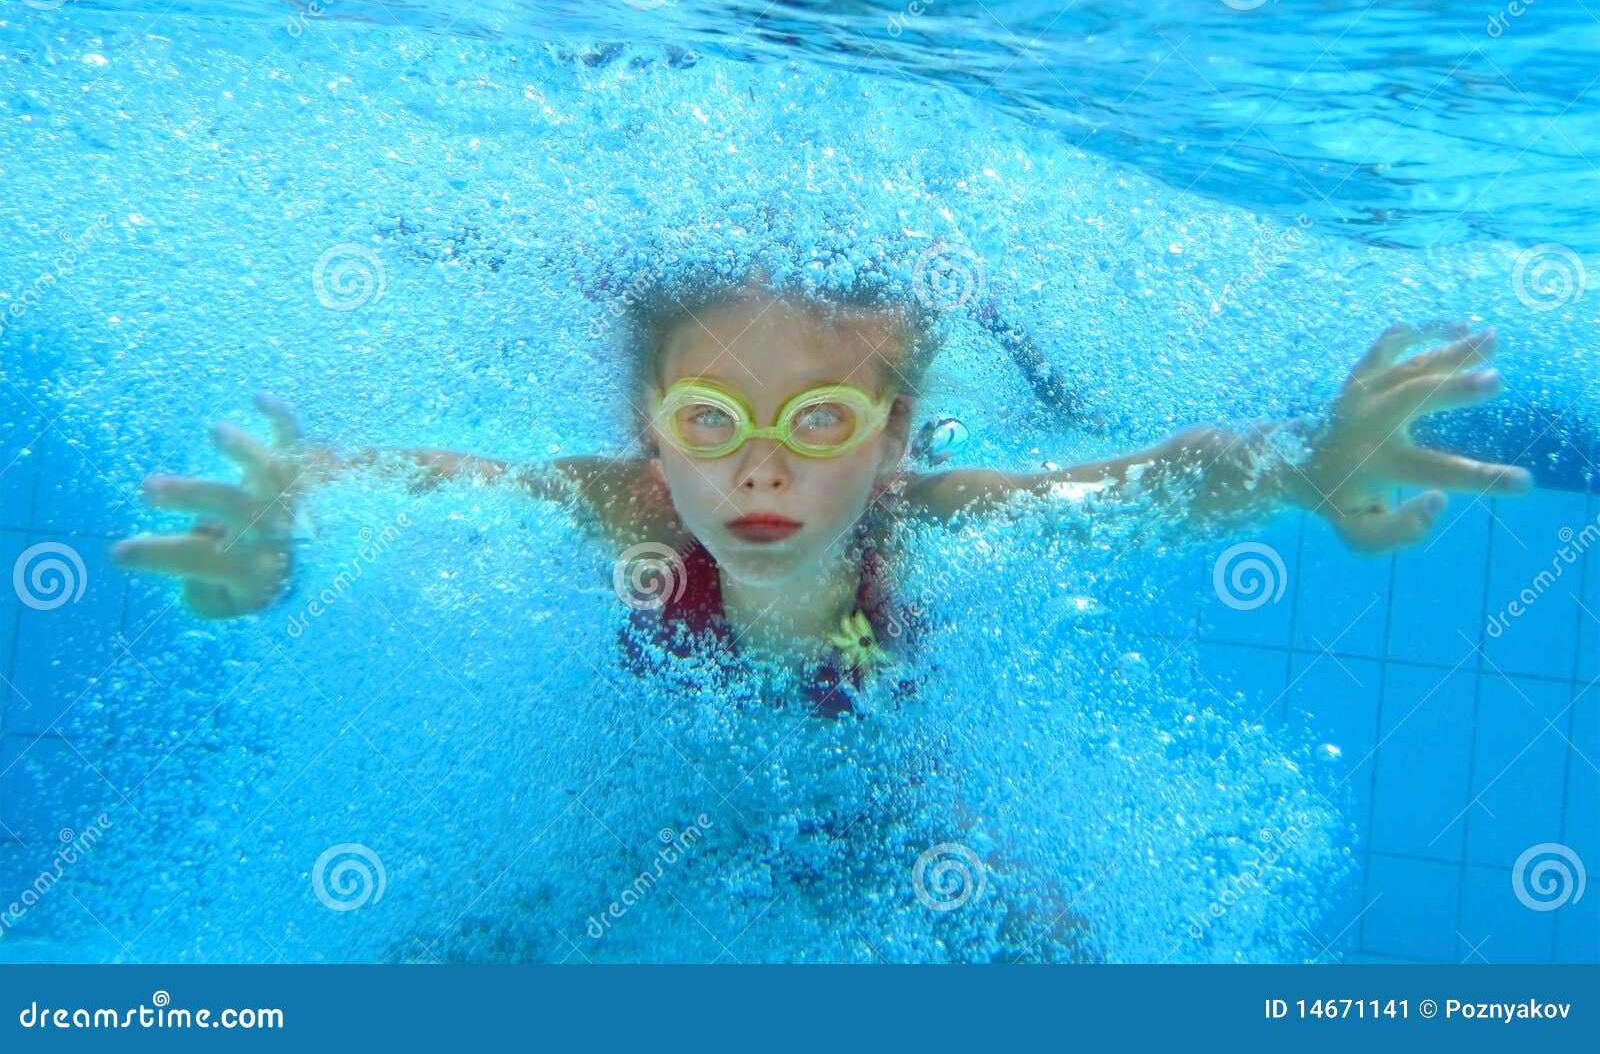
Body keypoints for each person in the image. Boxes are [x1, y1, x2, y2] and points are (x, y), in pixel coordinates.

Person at [109, 268, 1531, 960]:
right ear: (652, 434)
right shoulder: (633, 512)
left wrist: (1299, 468)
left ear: (896, 438)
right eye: (713, 420)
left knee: (1058, 963)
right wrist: (284, 532)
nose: (763, 463)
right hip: (649, 798)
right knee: (452, 957)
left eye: (820, 417)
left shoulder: (927, 529)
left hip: (887, 809)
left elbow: (1140, 482)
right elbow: (427, 483)